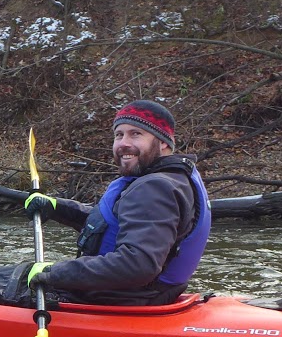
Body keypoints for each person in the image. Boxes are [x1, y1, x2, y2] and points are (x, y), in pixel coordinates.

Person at [22, 99, 210, 306]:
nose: (123, 143)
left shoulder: (155, 188)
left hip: (118, 299)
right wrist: (58, 208)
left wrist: (55, 273)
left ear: (164, 142)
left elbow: (137, 265)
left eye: (136, 134)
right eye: (119, 135)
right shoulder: (169, 179)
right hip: (139, 295)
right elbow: (112, 226)